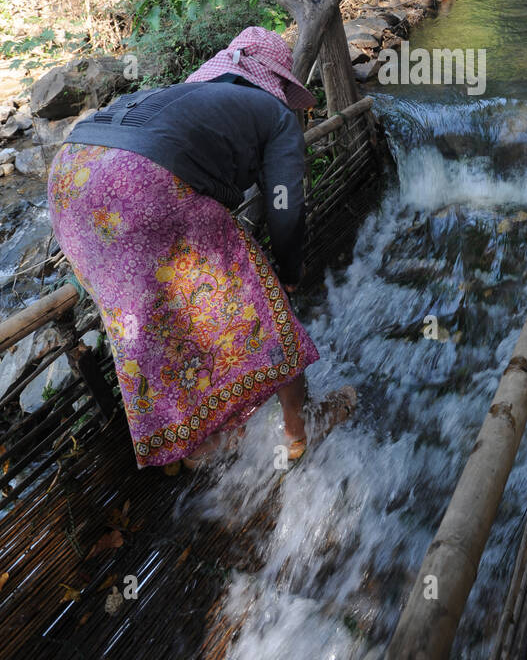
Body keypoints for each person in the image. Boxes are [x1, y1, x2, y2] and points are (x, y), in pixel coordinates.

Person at [46, 27, 333, 470]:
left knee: (148, 323)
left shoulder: (183, 97)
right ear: (274, 81)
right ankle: (298, 428)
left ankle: (194, 447)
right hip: (140, 183)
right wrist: (290, 270)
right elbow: (285, 206)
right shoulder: (273, 114)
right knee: (264, 305)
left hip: (68, 180)